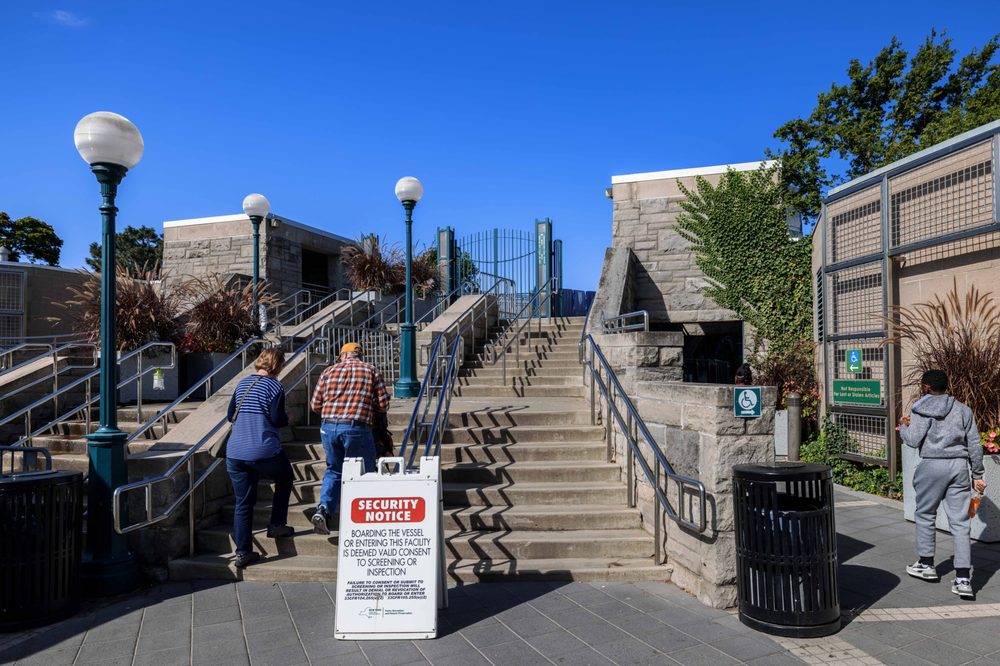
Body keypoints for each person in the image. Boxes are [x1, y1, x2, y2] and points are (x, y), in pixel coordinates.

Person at [900, 369, 987, 599]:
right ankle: (962, 579)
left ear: (927, 387)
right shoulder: (963, 409)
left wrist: (904, 427)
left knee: (926, 513)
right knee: (960, 523)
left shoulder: (921, 408)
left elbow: (913, 440)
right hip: (959, 467)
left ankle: (927, 565)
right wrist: (977, 473)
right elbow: (975, 444)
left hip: (932, 465)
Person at [309, 342, 390, 534]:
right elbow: (383, 404)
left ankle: (324, 509)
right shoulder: (371, 371)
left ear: (342, 355)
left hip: (328, 427)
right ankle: (362, 515)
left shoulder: (328, 372)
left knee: (334, 470)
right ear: (359, 355)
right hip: (356, 426)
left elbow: (315, 404)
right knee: (365, 471)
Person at [225, 348, 295, 568]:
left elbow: (230, 415)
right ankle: (276, 525)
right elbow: (276, 419)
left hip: (235, 451)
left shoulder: (243, 383)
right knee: (285, 479)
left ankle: (243, 552)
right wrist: (286, 417)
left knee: (243, 503)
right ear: (278, 365)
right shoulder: (275, 387)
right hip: (263, 449)